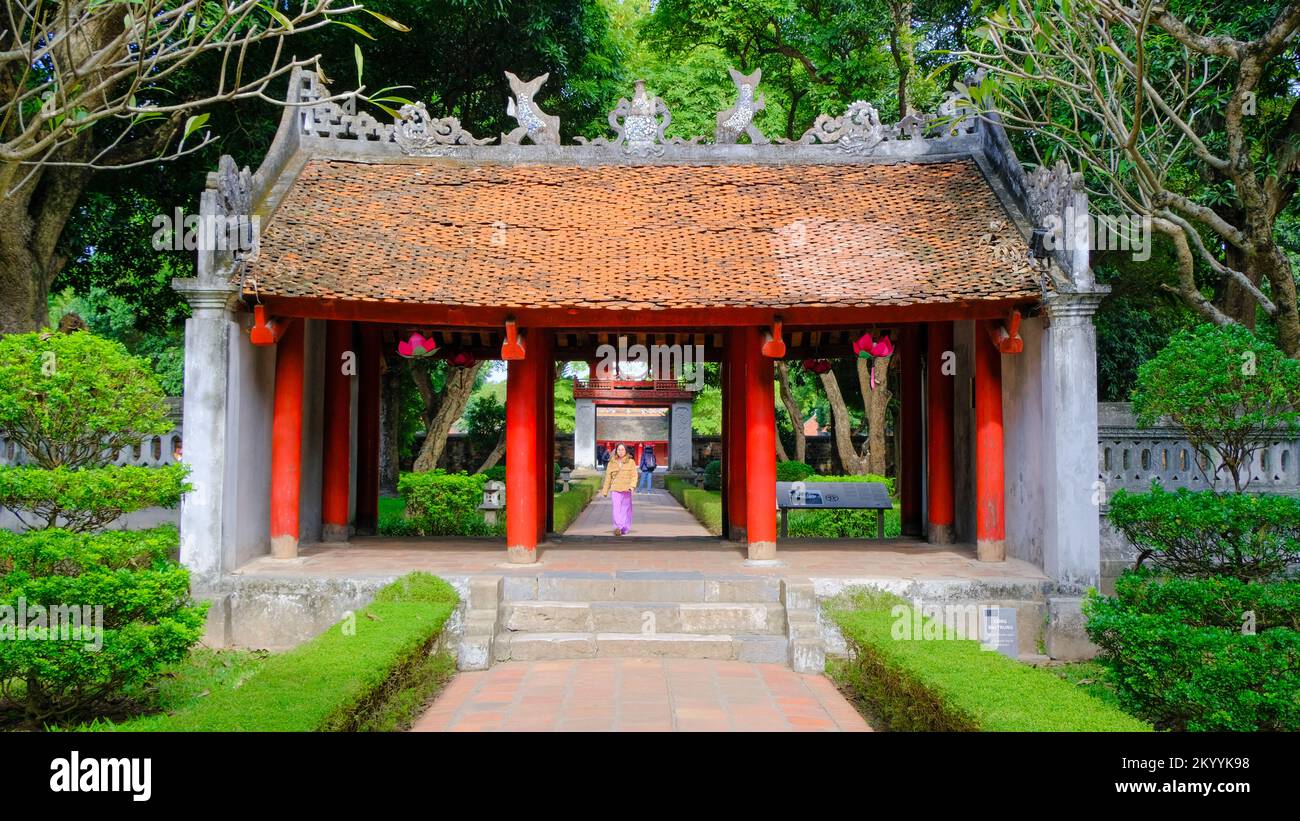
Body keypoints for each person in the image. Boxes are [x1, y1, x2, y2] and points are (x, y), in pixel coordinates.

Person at [600, 442, 638, 535]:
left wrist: (632, 486)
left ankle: (625, 527)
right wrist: (605, 491)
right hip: (615, 489)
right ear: (616, 451)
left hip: (626, 489)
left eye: (622, 449)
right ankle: (618, 527)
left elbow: (634, 475)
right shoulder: (611, 462)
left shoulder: (631, 462)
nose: (620, 451)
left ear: (626, 451)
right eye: (619, 450)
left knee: (626, 509)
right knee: (616, 509)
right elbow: (608, 477)